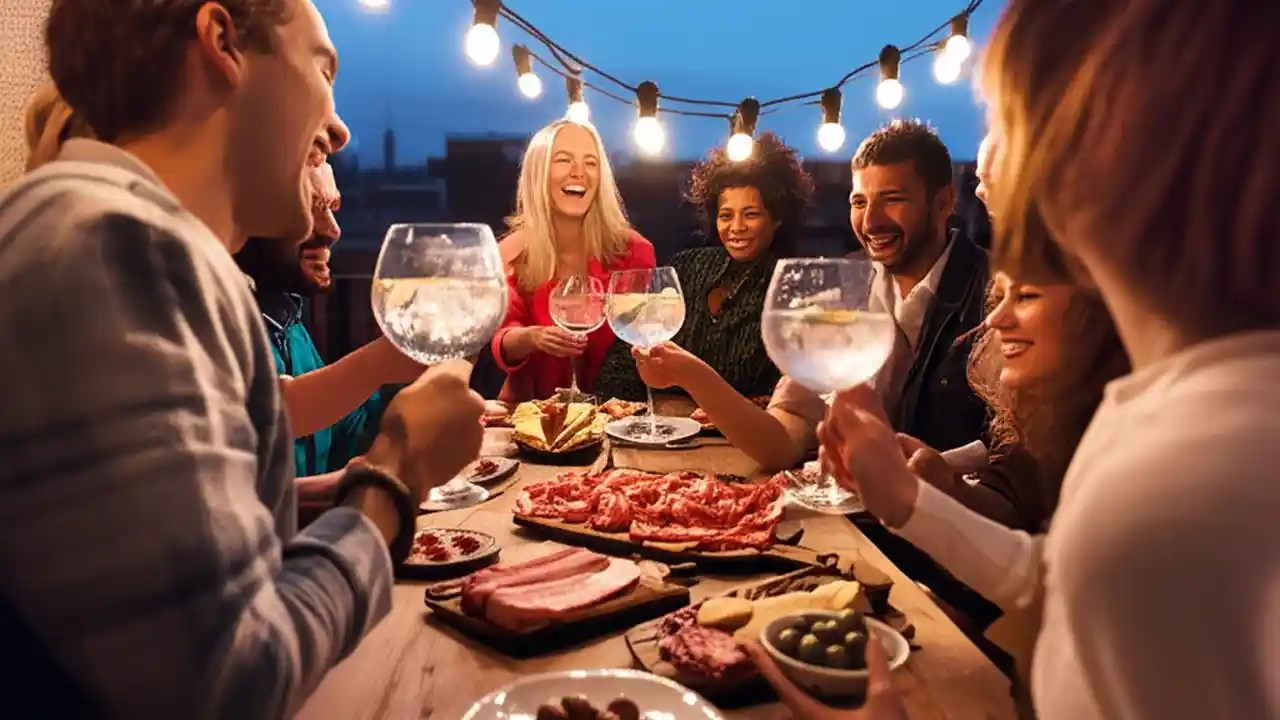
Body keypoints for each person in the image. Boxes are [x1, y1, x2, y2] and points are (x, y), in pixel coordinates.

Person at [0, 1, 483, 716]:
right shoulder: (114, 247)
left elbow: (178, 540)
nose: (339, 128)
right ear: (222, 42)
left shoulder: (110, 233)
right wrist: (396, 480)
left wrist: (323, 492)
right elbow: (228, 685)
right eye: (323, 67)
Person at [820, 0, 1280, 717]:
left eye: (1004, 117)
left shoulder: (1205, 470)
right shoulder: (1167, 397)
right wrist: (909, 501)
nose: (984, 163)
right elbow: (1063, 582)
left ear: (1109, 145)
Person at [236, 163, 424, 516]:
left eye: (331, 208)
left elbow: (343, 432)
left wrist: (417, 396)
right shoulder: (222, 333)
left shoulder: (287, 320)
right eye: (310, 207)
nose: (333, 231)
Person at [593, 132, 813, 402]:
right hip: (662, 430)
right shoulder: (686, 267)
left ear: (777, 218)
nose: (736, 227)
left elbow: (786, 395)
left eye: (751, 214)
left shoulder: (792, 287)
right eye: (726, 215)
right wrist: (619, 411)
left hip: (736, 437)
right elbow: (626, 355)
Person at [491, 119, 656, 402]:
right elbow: (503, 340)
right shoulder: (509, 253)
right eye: (564, 160)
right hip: (531, 412)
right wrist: (533, 338)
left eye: (590, 163)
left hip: (618, 411)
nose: (579, 173)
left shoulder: (634, 251)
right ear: (538, 174)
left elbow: (640, 339)